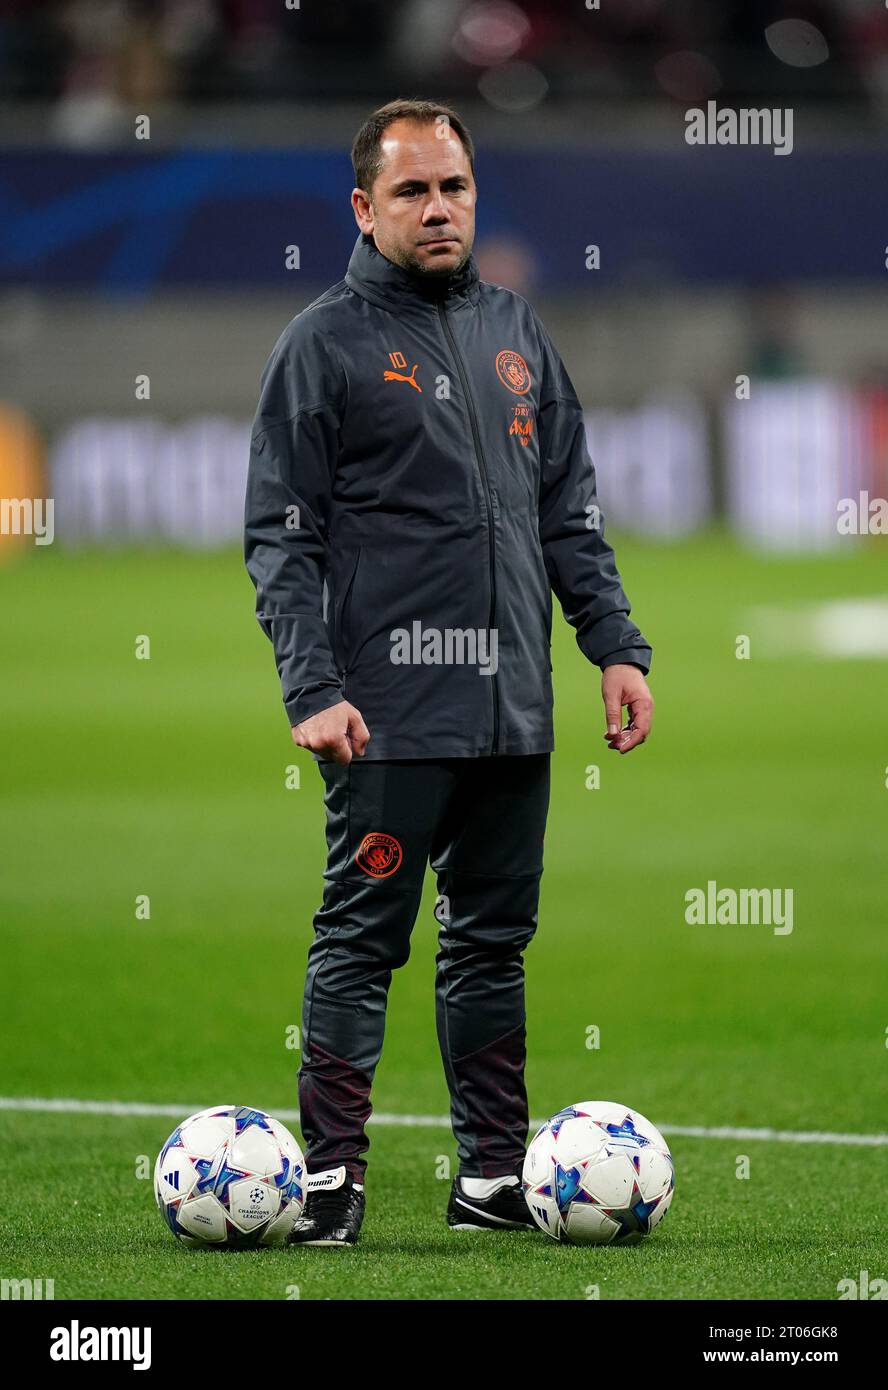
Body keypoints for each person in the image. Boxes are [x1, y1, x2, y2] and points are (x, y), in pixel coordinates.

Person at [244, 98, 653, 1247]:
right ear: (364, 207)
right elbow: (281, 532)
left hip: (516, 708)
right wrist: (312, 686)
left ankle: (488, 1176)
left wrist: (614, 646)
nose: (439, 208)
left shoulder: (517, 325)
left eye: (455, 187)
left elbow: (569, 510)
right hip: (390, 711)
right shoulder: (321, 342)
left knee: (491, 943)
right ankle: (328, 1181)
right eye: (413, 190)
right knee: (363, 935)